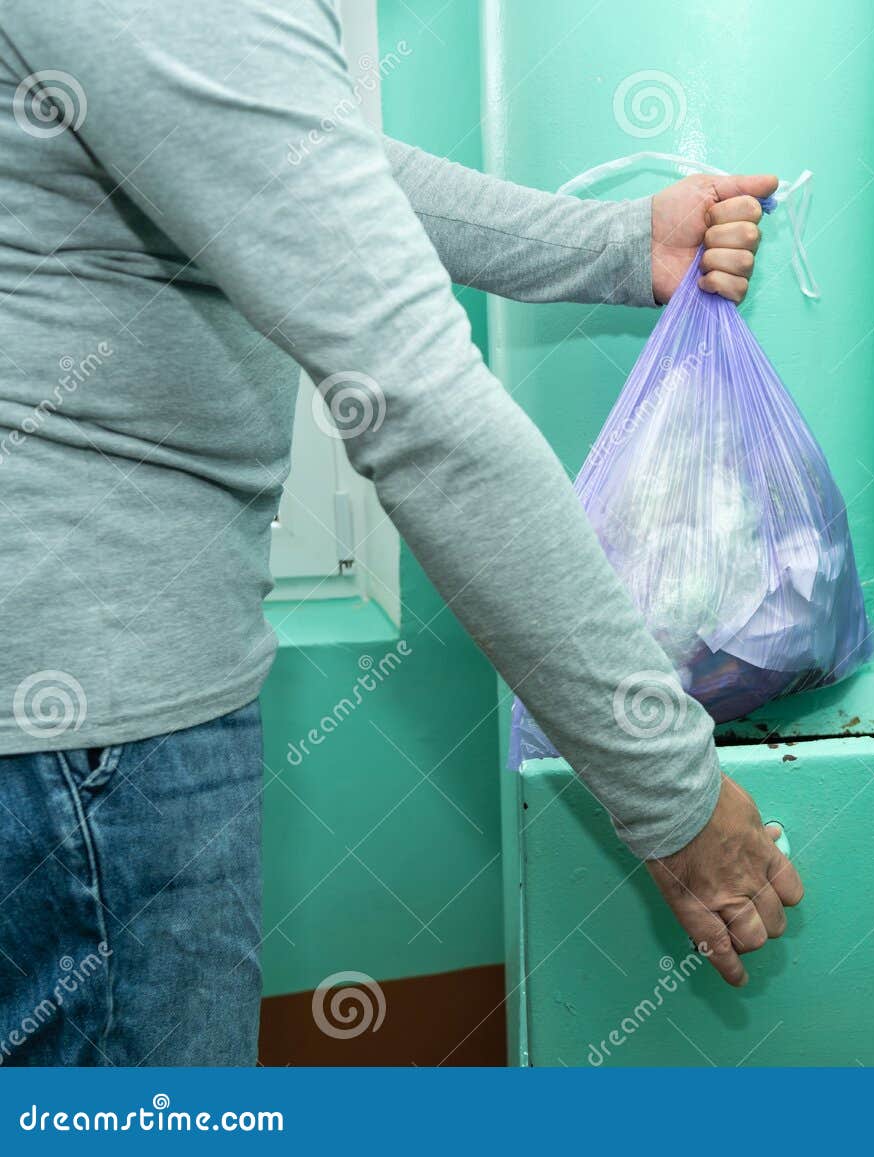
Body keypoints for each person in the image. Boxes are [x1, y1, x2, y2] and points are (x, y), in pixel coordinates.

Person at [0, 0, 801, 1066]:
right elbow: (424, 413)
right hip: (84, 720)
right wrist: (675, 793)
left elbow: (289, 149)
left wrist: (612, 244)